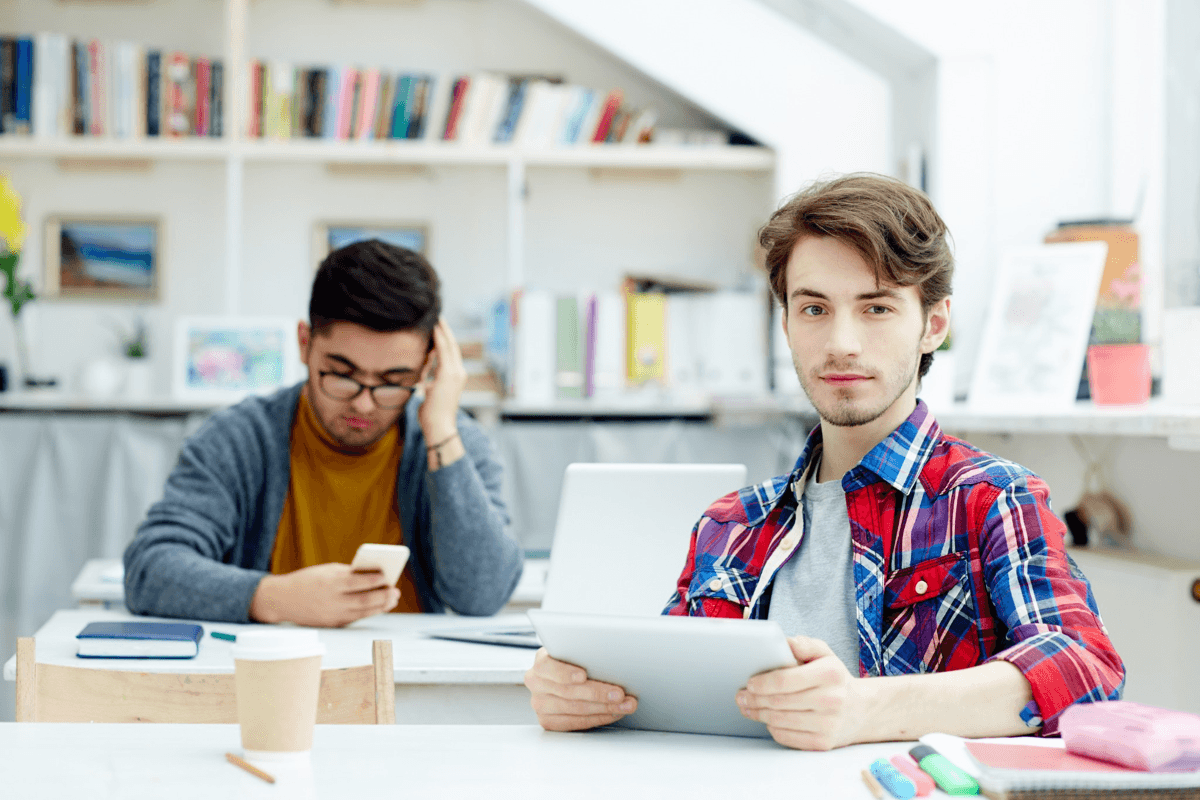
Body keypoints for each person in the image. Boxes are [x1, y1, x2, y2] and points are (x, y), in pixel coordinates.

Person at [524, 174, 1124, 748]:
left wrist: (865, 708)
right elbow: (669, 697)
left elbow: (1085, 672)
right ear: (786, 324)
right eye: (814, 309)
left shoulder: (992, 498)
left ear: (933, 325)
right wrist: (586, 696)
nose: (841, 342)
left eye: (877, 308)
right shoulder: (730, 526)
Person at [124, 240, 522, 626]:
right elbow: (150, 568)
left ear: (428, 366)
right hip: (274, 680)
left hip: (407, 681)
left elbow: (483, 595)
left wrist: (441, 434)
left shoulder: (452, 442)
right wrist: (273, 598)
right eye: (342, 375)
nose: (364, 405)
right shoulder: (238, 439)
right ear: (304, 343)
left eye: (393, 381)